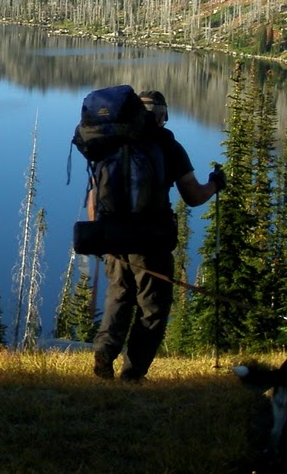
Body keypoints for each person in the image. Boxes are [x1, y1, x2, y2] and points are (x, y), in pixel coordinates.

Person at [93, 89, 224, 382]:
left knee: (118, 296)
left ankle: (104, 354)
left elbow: (96, 192)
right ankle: (133, 374)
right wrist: (215, 184)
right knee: (152, 308)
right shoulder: (167, 145)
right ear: (162, 116)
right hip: (150, 240)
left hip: (114, 237)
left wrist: (102, 231)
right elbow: (192, 195)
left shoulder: (113, 142)